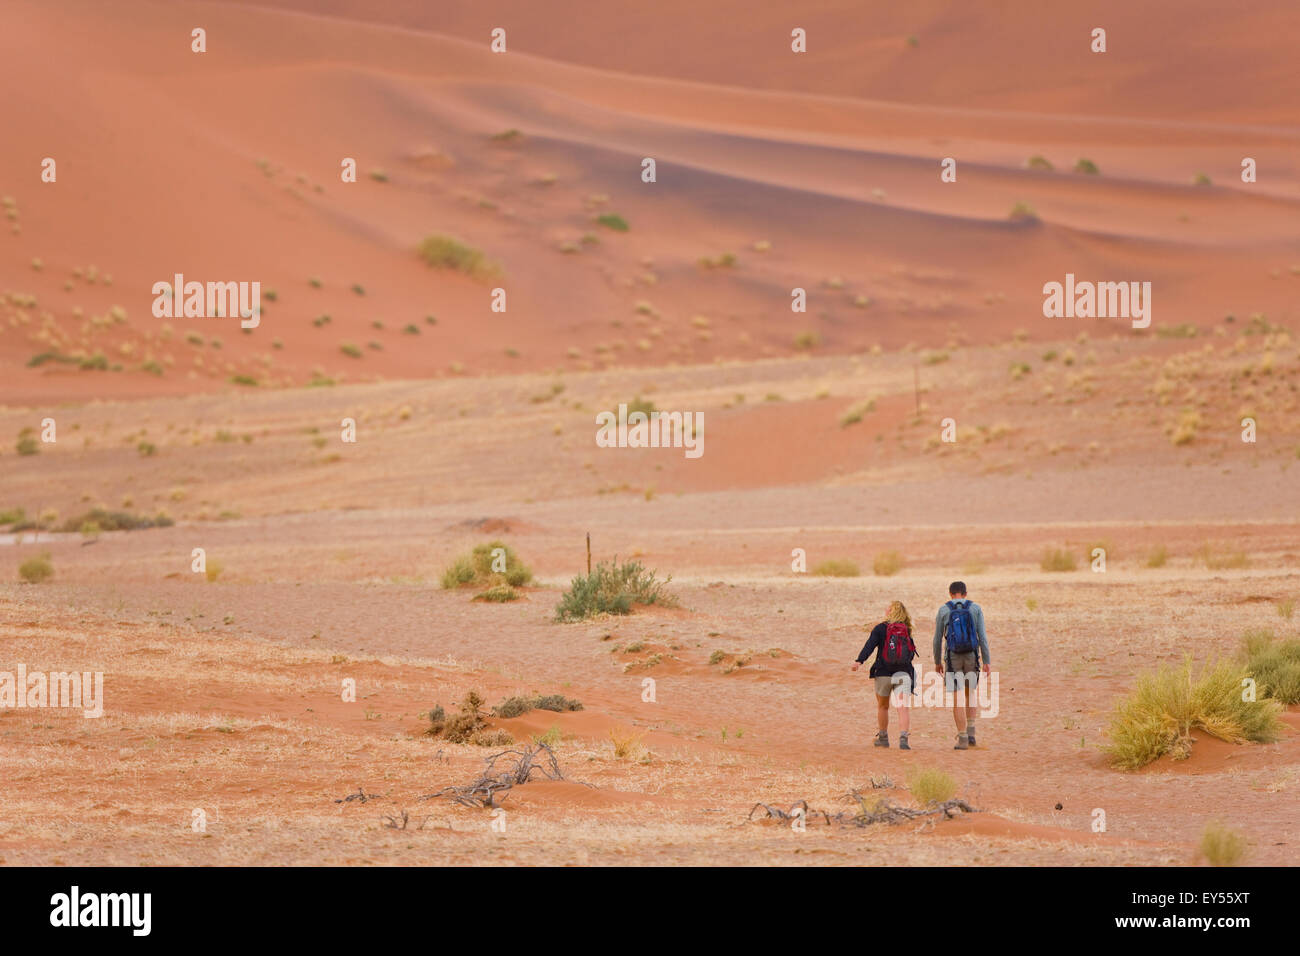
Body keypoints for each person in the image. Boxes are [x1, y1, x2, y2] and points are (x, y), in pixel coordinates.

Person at [851, 600, 918, 749]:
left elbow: (869, 646)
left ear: (890, 612)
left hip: (883, 672)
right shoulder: (906, 629)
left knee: (883, 706)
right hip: (903, 673)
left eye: (887, 608)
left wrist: (859, 661)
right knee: (903, 708)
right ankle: (903, 739)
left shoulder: (880, 628)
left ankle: (883, 737)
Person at [933, 581, 990, 750]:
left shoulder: (944, 610)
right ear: (965, 593)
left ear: (950, 594)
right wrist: (987, 660)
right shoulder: (975, 608)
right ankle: (971, 733)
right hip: (972, 656)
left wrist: (937, 661)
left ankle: (962, 737)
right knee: (970, 692)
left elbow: (937, 639)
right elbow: (982, 637)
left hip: (952, 657)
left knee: (956, 696)